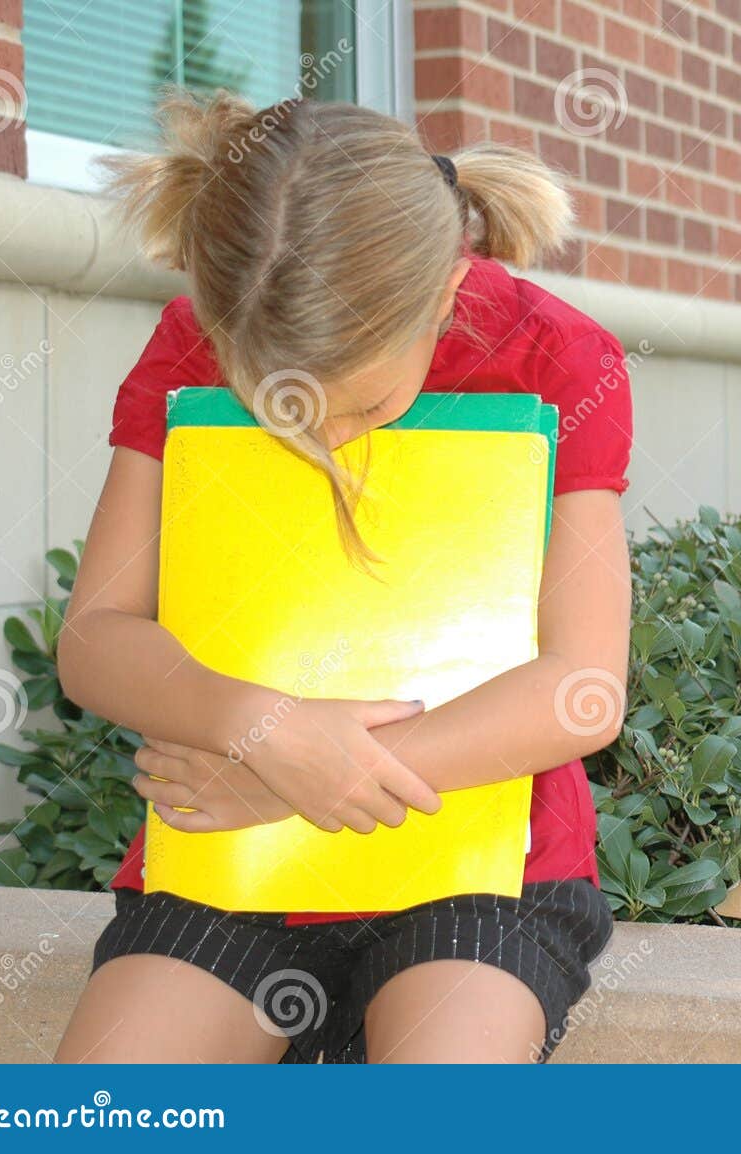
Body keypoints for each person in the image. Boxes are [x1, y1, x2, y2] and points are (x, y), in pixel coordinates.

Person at [53, 90, 632, 1064]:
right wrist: (262, 729)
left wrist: (297, 778)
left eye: (360, 403)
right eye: (283, 405)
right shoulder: (191, 342)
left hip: (480, 868)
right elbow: (94, 638)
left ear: (448, 288)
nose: (325, 440)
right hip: (227, 861)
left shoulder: (555, 357)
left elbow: (581, 690)